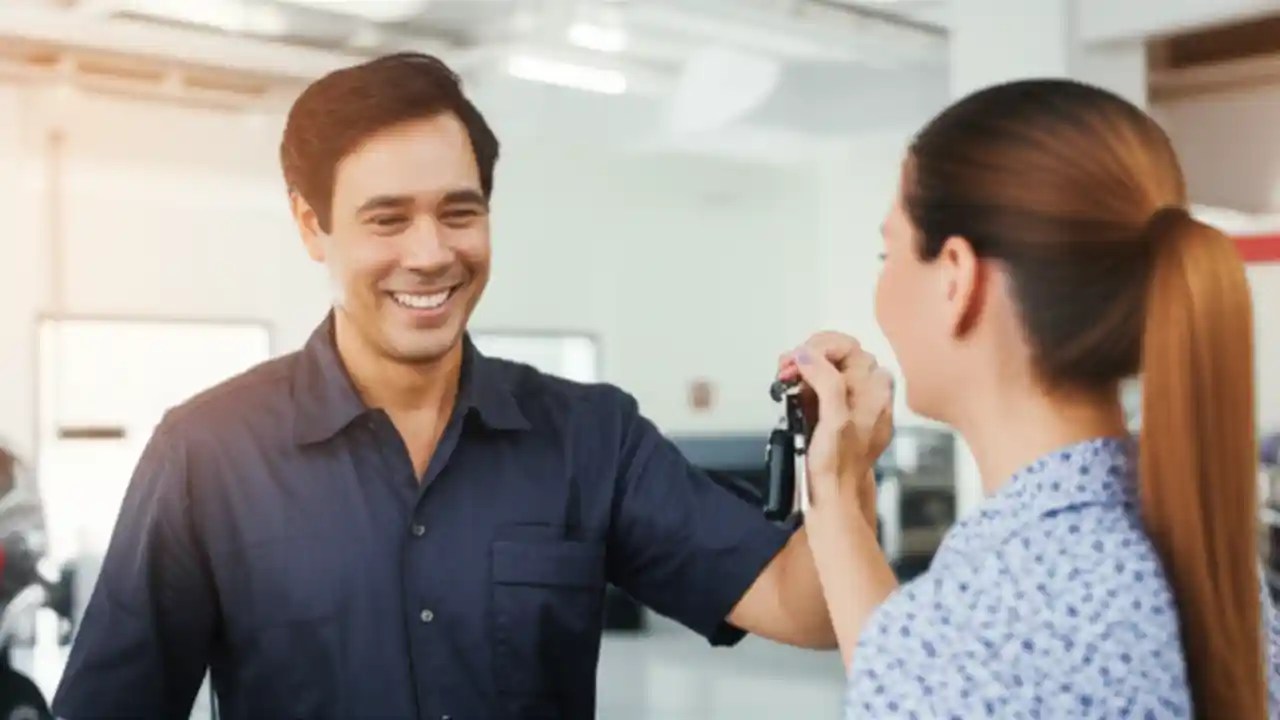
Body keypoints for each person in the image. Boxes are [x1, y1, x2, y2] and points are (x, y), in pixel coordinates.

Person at [50, 53, 848, 719]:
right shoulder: (208, 454)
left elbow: (811, 607)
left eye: (458, 213)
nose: (431, 254)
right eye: (387, 220)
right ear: (311, 226)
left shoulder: (589, 436)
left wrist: (842, 465)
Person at [778, 78, 1280, 718]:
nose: (882, 284)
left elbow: (938, 672)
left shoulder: (968, 631)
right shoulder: (1210, 565)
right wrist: (837, 494)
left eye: (889, 251)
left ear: (956, 278)